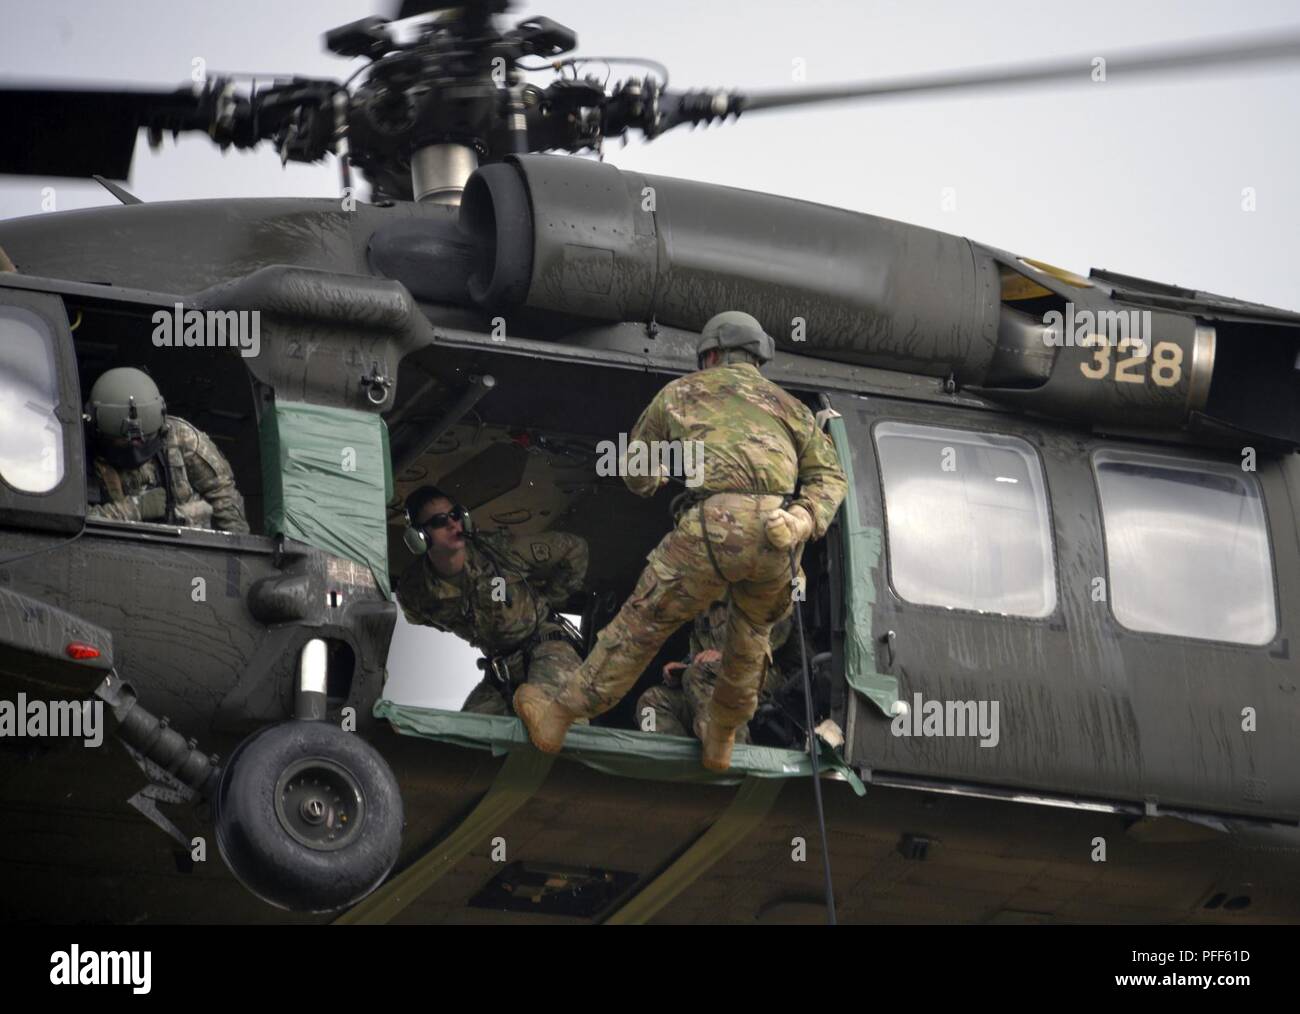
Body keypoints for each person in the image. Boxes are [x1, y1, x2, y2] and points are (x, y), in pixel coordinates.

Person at [516, 309, 847, 771]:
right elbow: (831, 477)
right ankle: (721, 737)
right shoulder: (791, 408)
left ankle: (559, 716)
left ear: (710, 354)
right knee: (750, 643)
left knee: (640, 626)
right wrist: (803, 517)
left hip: (713, 528)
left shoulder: (681, 393)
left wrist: (653, 478)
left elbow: (635, 471)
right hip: (778, 538)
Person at [397, 484, 589, 715]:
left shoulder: (501, 551)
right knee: (464, 737)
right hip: (501, 670)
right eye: (438, 521)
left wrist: (549, 599)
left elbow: (575, 549)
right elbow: (417, 617)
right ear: (419, 537)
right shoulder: (415, 589)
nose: (452, 524)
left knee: (552, 717)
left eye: (456, 516)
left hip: (547, 647)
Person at [85, 367, 249, 533]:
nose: (136, 448)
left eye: (145, 439)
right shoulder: (81, 455)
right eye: (123, 442)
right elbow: (74, 521)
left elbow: (223, 494)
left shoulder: (183, 438)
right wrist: (136, 509)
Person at [637, 598, 794, 745]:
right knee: (650, 702)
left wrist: (726, 656)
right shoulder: (703, 610)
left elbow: (774, 640)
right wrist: (681, 669)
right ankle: (676, 767)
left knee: (696, 674)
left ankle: (732, 753)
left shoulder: (760, 588)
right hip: (707, 683)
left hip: (757, 679)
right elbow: (698, 659)